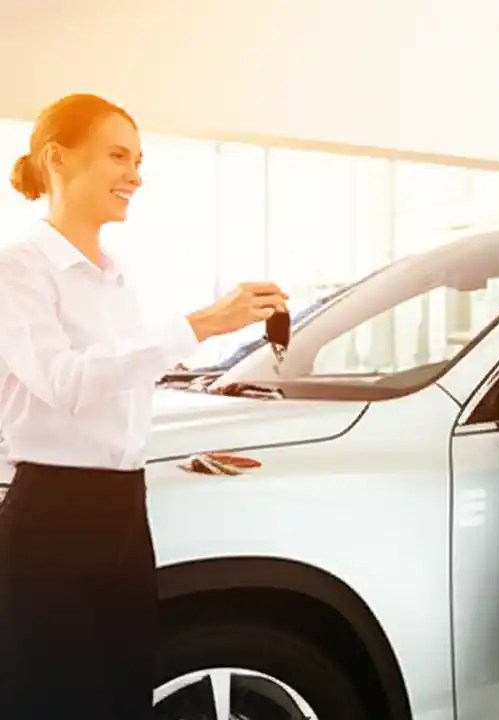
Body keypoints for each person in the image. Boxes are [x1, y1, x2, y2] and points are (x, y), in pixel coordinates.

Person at [0, 93, 288, 720]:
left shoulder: (118, 276)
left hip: (125, 512)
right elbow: (66, 382)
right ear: (57, 158)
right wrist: (202, 323)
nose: (134, 175)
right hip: (50, 518)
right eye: (117, 156)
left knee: (125, 698)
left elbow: (123, 390)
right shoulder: (18, 269)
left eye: (138, 160)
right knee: (51, 705)